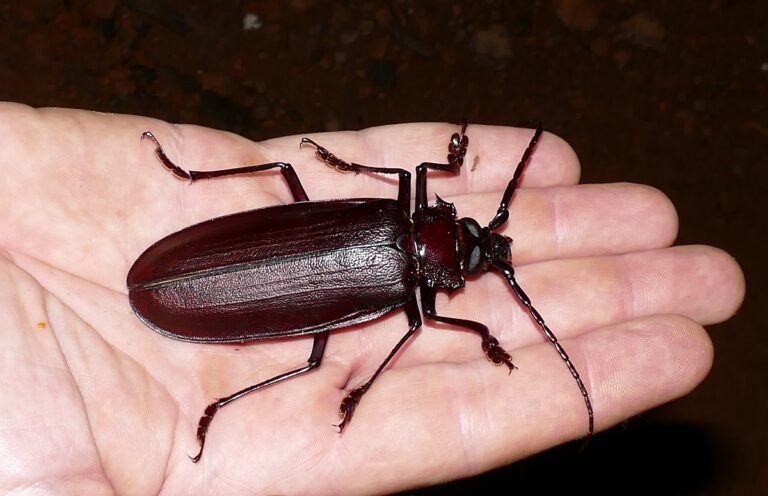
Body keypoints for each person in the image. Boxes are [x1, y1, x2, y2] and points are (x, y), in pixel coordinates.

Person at [0, 103, 744, 495]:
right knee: (312, 336)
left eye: (482, 250)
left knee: (310, 328)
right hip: (188, 267)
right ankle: (191, 194)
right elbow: (412, 329)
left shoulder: (402, 210)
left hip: (230, 278)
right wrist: (471, 339)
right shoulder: (409, 285)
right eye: (483, 244)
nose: (489, 249)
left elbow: (406, 200)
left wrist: (474, 335)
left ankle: (219, 404)